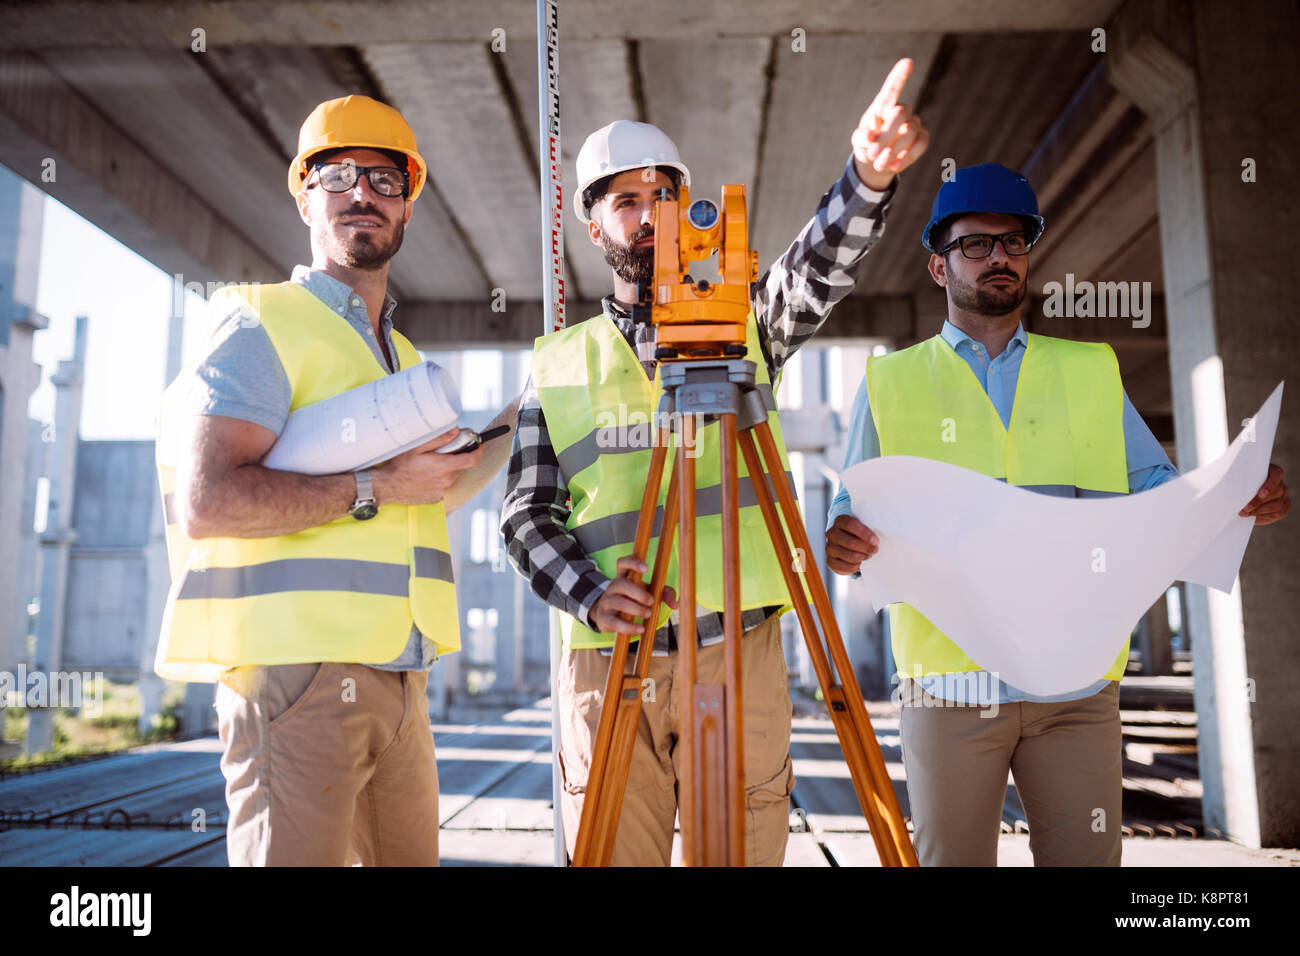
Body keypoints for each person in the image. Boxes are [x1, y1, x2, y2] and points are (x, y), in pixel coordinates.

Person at [502, 60, 930, 866]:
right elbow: (525, 516)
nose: (648, 217)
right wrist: (591, 595)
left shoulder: (747, 327)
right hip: (608, 663)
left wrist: (868, 177)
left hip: (743, 652)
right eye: (624, 201)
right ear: (593, 226)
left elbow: (818, 269)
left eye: (662, 198)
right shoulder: (557, 365)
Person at [824, 161, 1291, 866]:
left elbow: (1160, 491)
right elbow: (847, 514)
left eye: (1014, 241)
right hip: (951, 686)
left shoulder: (1089, 370)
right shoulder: (889, 383)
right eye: (976, 245)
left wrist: (1234, 498)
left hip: (1076, 684)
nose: (1000, 257)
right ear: (937, 267)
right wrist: (842, 542)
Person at [153, 95, 515, 866]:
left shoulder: (405, 360)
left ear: (408, 208)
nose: (363, 194)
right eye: (340, 175)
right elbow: (210, 502)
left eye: (386, 182)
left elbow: (432, 494)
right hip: (296, 682)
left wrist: (525, 414)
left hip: (401, 678)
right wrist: (375, 485)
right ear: (305, 194)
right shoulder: (263, 323)